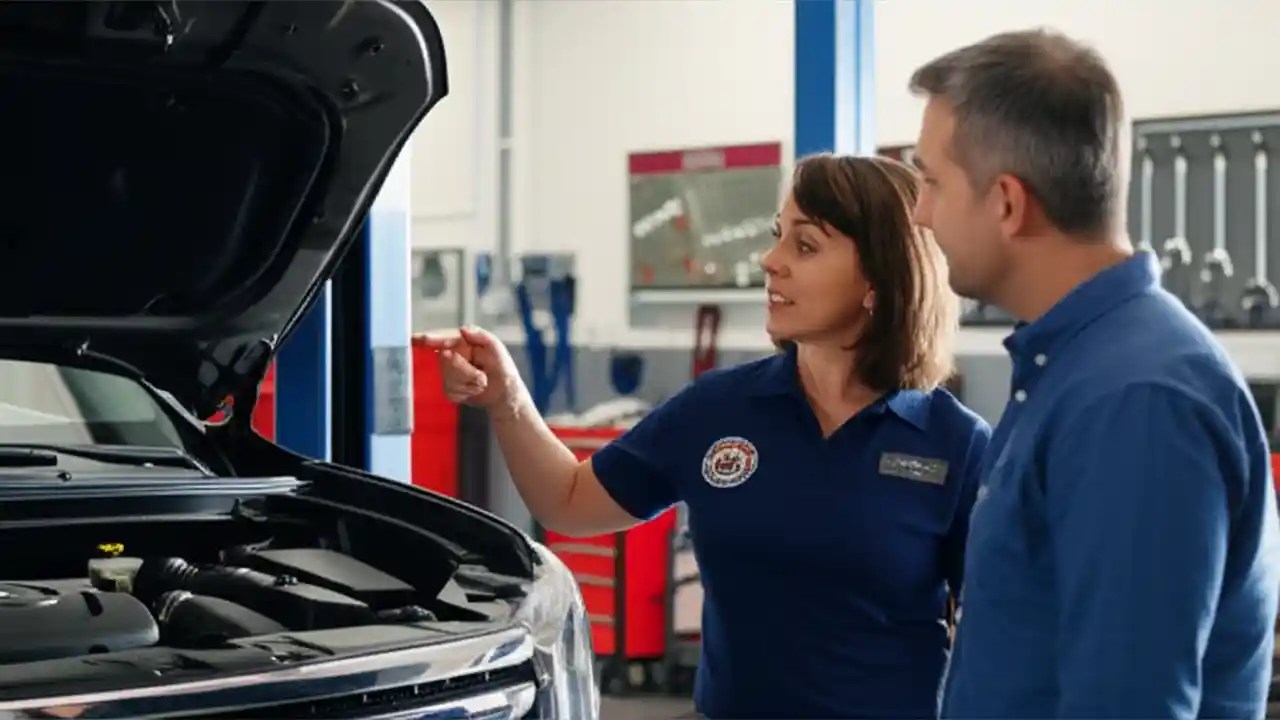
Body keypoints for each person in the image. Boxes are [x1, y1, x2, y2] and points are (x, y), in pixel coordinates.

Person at [419, 154, 990, 719]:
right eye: (776, 238)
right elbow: (568, 501)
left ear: (879, 279)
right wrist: (507, 398)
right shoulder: (721, 408)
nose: (771, 261)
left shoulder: (955, 444)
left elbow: (1000, 629)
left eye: (806, 245)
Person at [908, 29, 1280, 719]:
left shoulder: (1135, 400)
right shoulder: (1075, 368)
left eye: (930, 181)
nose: (921, 213)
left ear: (1007, 202)